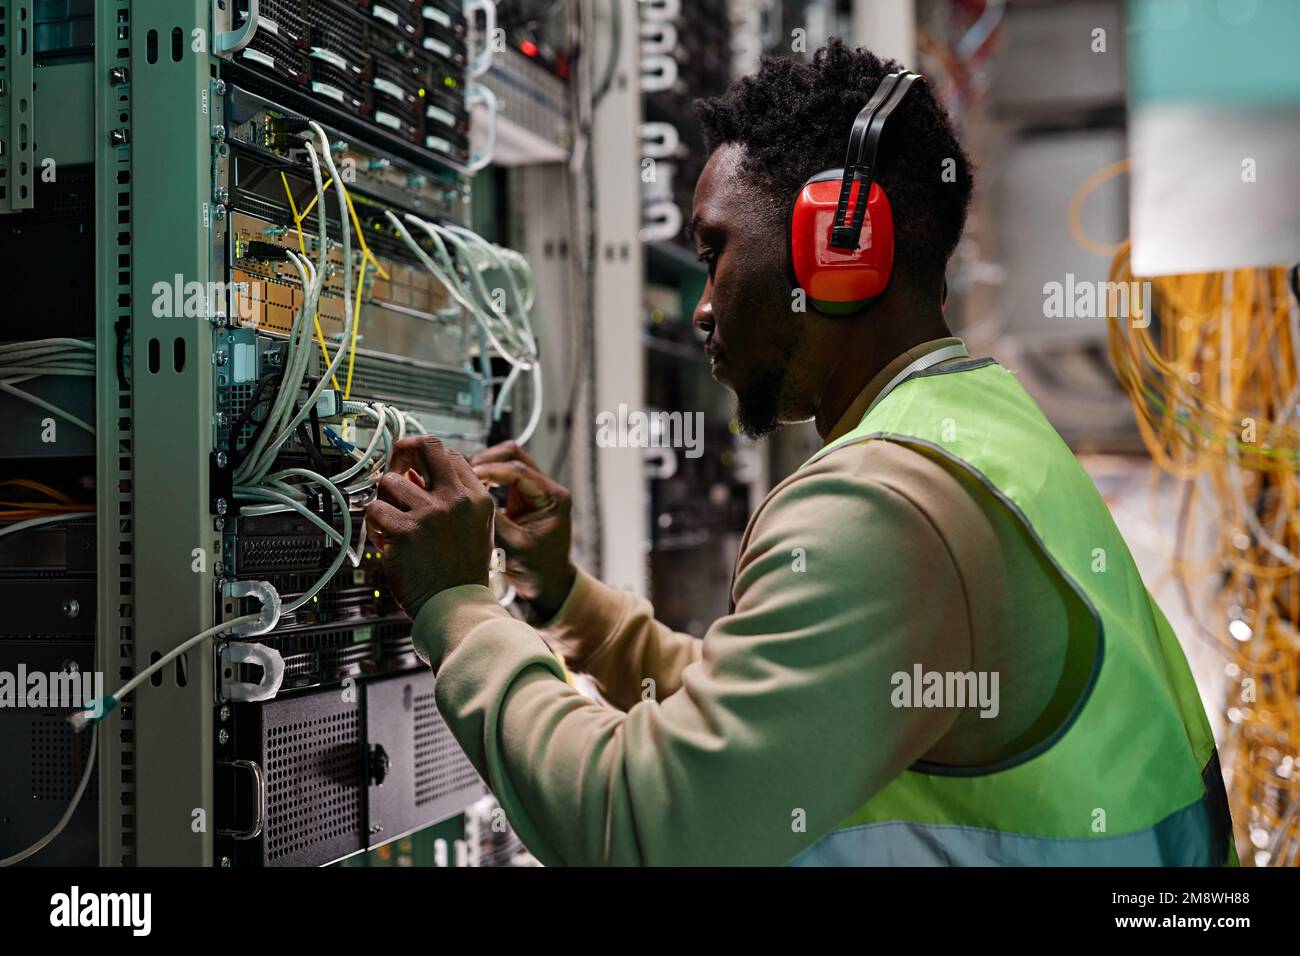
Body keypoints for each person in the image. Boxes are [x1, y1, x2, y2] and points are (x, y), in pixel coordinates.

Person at [364, 40, 1234, 866]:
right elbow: (777, 714)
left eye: (716, 254)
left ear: (841, 250)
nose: (703, 309)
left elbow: (640, 827)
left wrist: (457, 605)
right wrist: (562, 596)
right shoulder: (982, 431)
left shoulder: (883, 503)